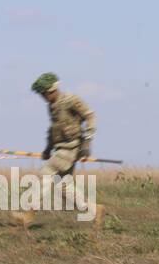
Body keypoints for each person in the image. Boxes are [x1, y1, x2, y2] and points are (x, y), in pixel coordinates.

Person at [23, 73, 103, 226]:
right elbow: (54, 129)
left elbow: (90, 116)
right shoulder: (51, 107)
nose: (43, 97)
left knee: (45, 173)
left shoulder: (70, 100)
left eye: (44, 93)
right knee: (64, 187)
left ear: (52, 90)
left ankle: (29, 214)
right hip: (60, 148)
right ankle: (94, 210)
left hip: (71, 148)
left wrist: (87, 143)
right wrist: (47, 148)